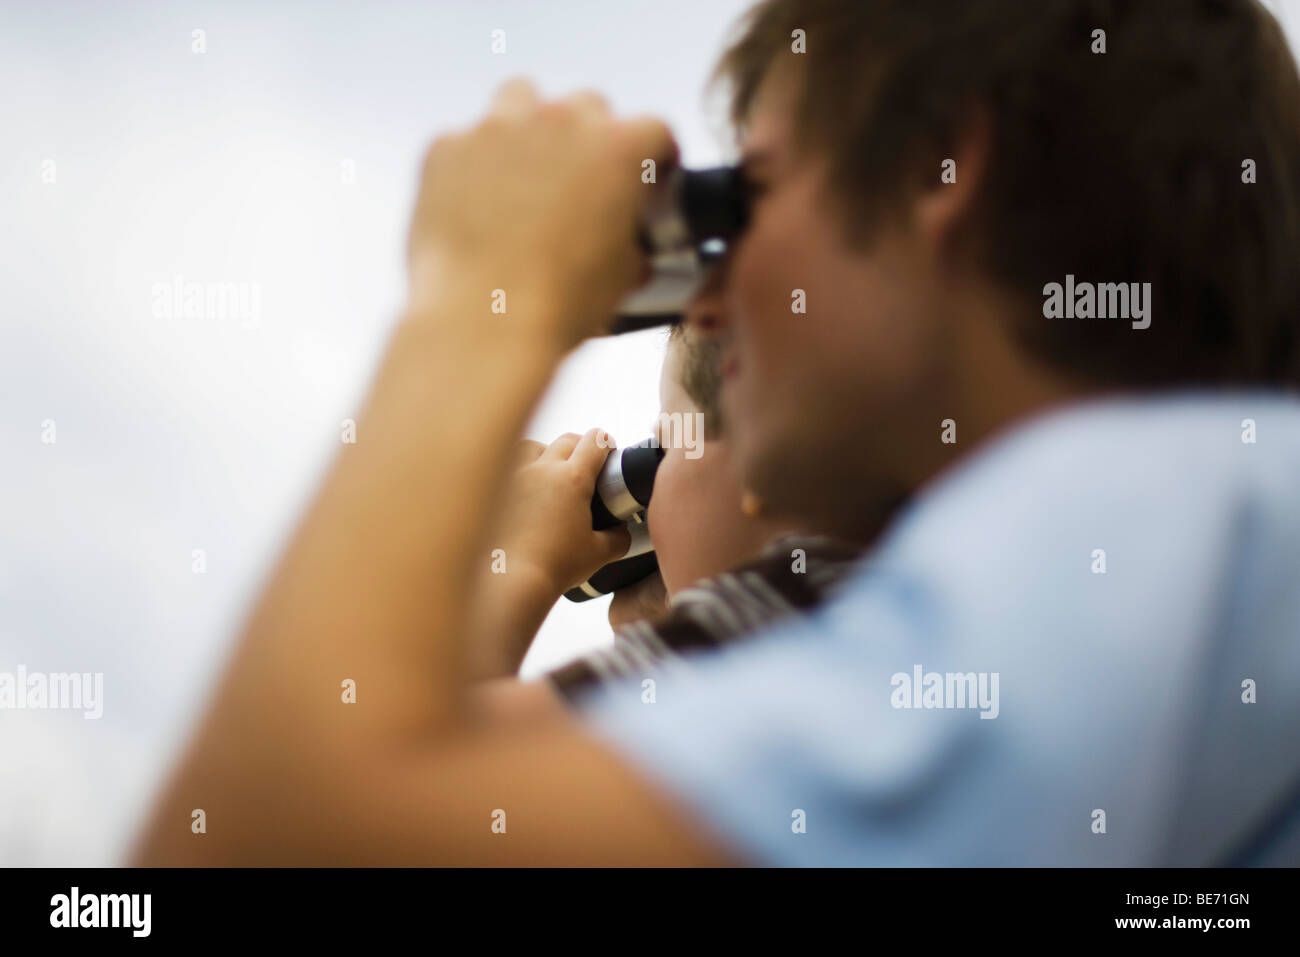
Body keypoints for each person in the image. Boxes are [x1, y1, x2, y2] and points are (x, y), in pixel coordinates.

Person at [133, 0, 1300, 865]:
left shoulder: (1143, 534)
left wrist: (478, 299)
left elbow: (249, 846)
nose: (705, 291)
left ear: (943, 164)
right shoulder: (1188, 546)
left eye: (748, 196)